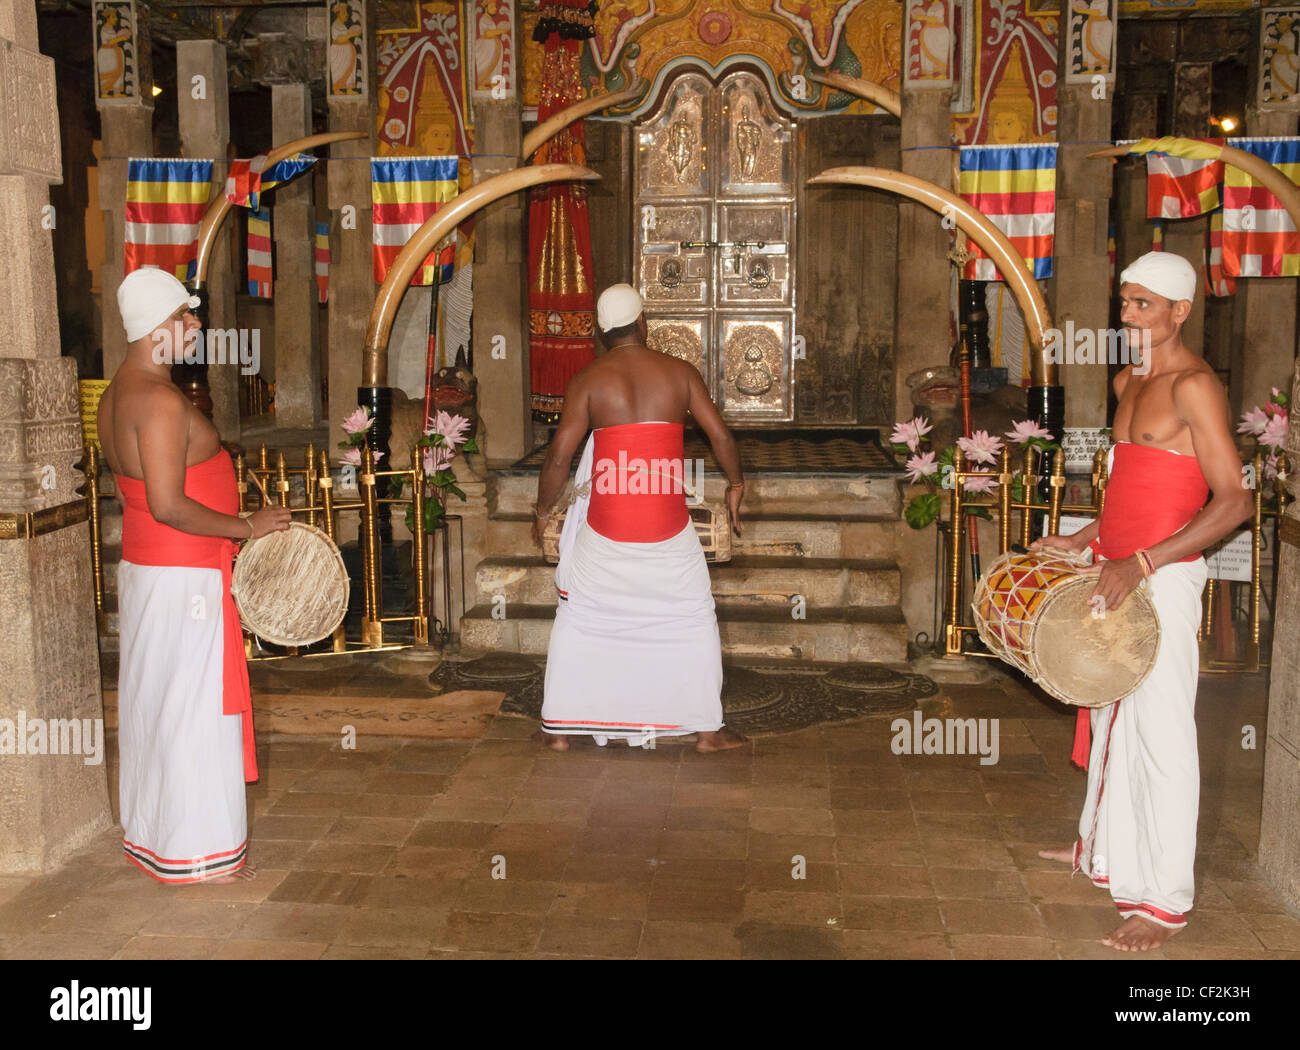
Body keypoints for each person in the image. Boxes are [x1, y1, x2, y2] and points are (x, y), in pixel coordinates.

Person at [1034, 252, 1252, 950]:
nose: (1127, 315)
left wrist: (1143, 562)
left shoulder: (1195, 386)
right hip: (1115, 566)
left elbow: (1235, 499)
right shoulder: (1130, 379)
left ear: (1180, 312)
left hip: (1163, 575)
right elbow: (1139, 489)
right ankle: (1100, 853)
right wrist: (1085, 540)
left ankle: (1163, 902)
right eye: (1124, 301)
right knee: (1105, 720)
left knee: (1160, 737)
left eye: (1144, 304)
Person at [98, 268, 290, 883]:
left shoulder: (116, 394)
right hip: (182, 578)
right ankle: (197, 850)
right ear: (159, 328)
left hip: (159, 573)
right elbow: (167, 504)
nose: (198, 327)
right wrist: (248, 527)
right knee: (193, 710)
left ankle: (158, 836)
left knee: (160, 703)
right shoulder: (155, 400)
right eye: (188, 316)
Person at [532, 284, 747, 753]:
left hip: (605, 531)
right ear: (642, 323)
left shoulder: (588, 380)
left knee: (582, 619)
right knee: (692, 619)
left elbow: (558, 458)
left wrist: (543, 510)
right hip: (667, 532)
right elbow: (722, 437)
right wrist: (735, 485)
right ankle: (708, 732)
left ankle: (561, 734)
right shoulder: (679, 373)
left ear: (603, 332)